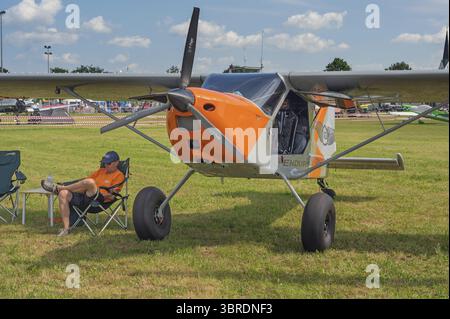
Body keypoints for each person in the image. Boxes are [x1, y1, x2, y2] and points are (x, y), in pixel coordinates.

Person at [41, 151, 125, 237]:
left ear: (116, 163)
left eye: (109, 163)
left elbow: (112, 196)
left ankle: (60, 188)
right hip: (85, 196)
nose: (106, 165)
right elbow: (84, 182)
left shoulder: (119, 175)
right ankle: (66, 229)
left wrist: (105, 195)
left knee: (90, 182)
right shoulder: (101, 171)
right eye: (105, 163)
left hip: (99, 200)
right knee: (63, 194)